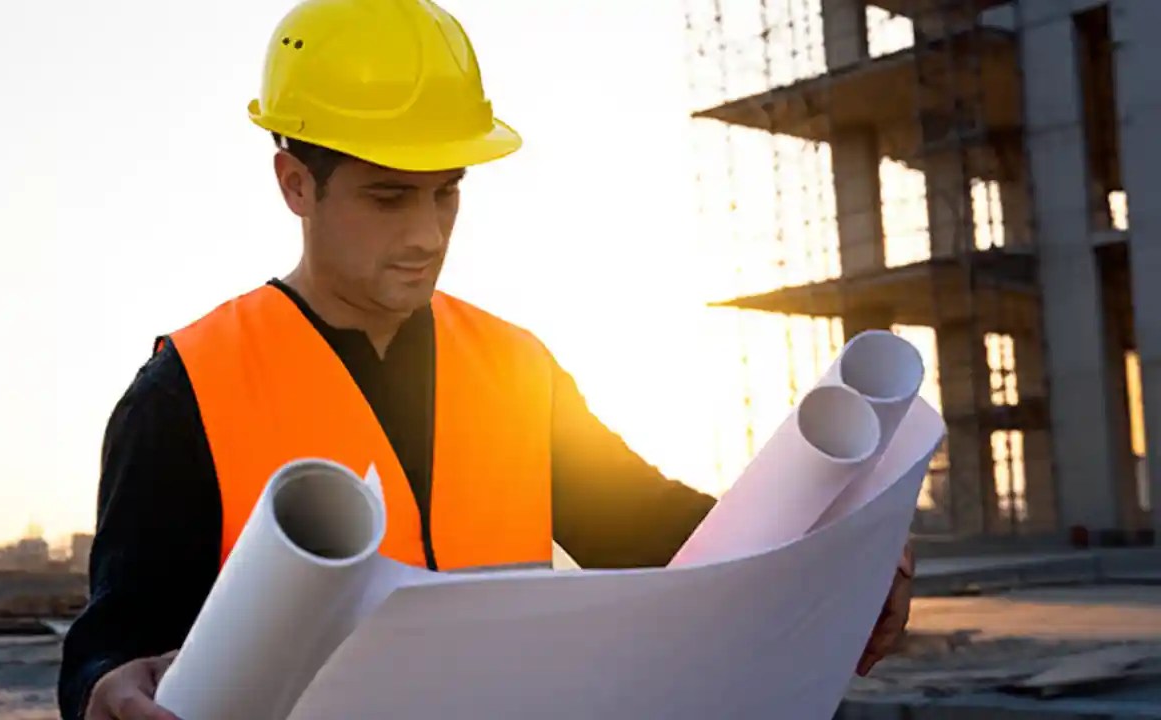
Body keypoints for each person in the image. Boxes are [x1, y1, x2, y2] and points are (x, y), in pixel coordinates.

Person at [57, 1, 915, 718]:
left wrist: (838, 557)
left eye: (447, 193)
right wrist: (105, 683)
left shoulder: (514, 370)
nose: (426, 235)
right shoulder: (187, 391)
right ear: (296, 184)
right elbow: (114, 642)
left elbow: (651, 529)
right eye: (389, 197)